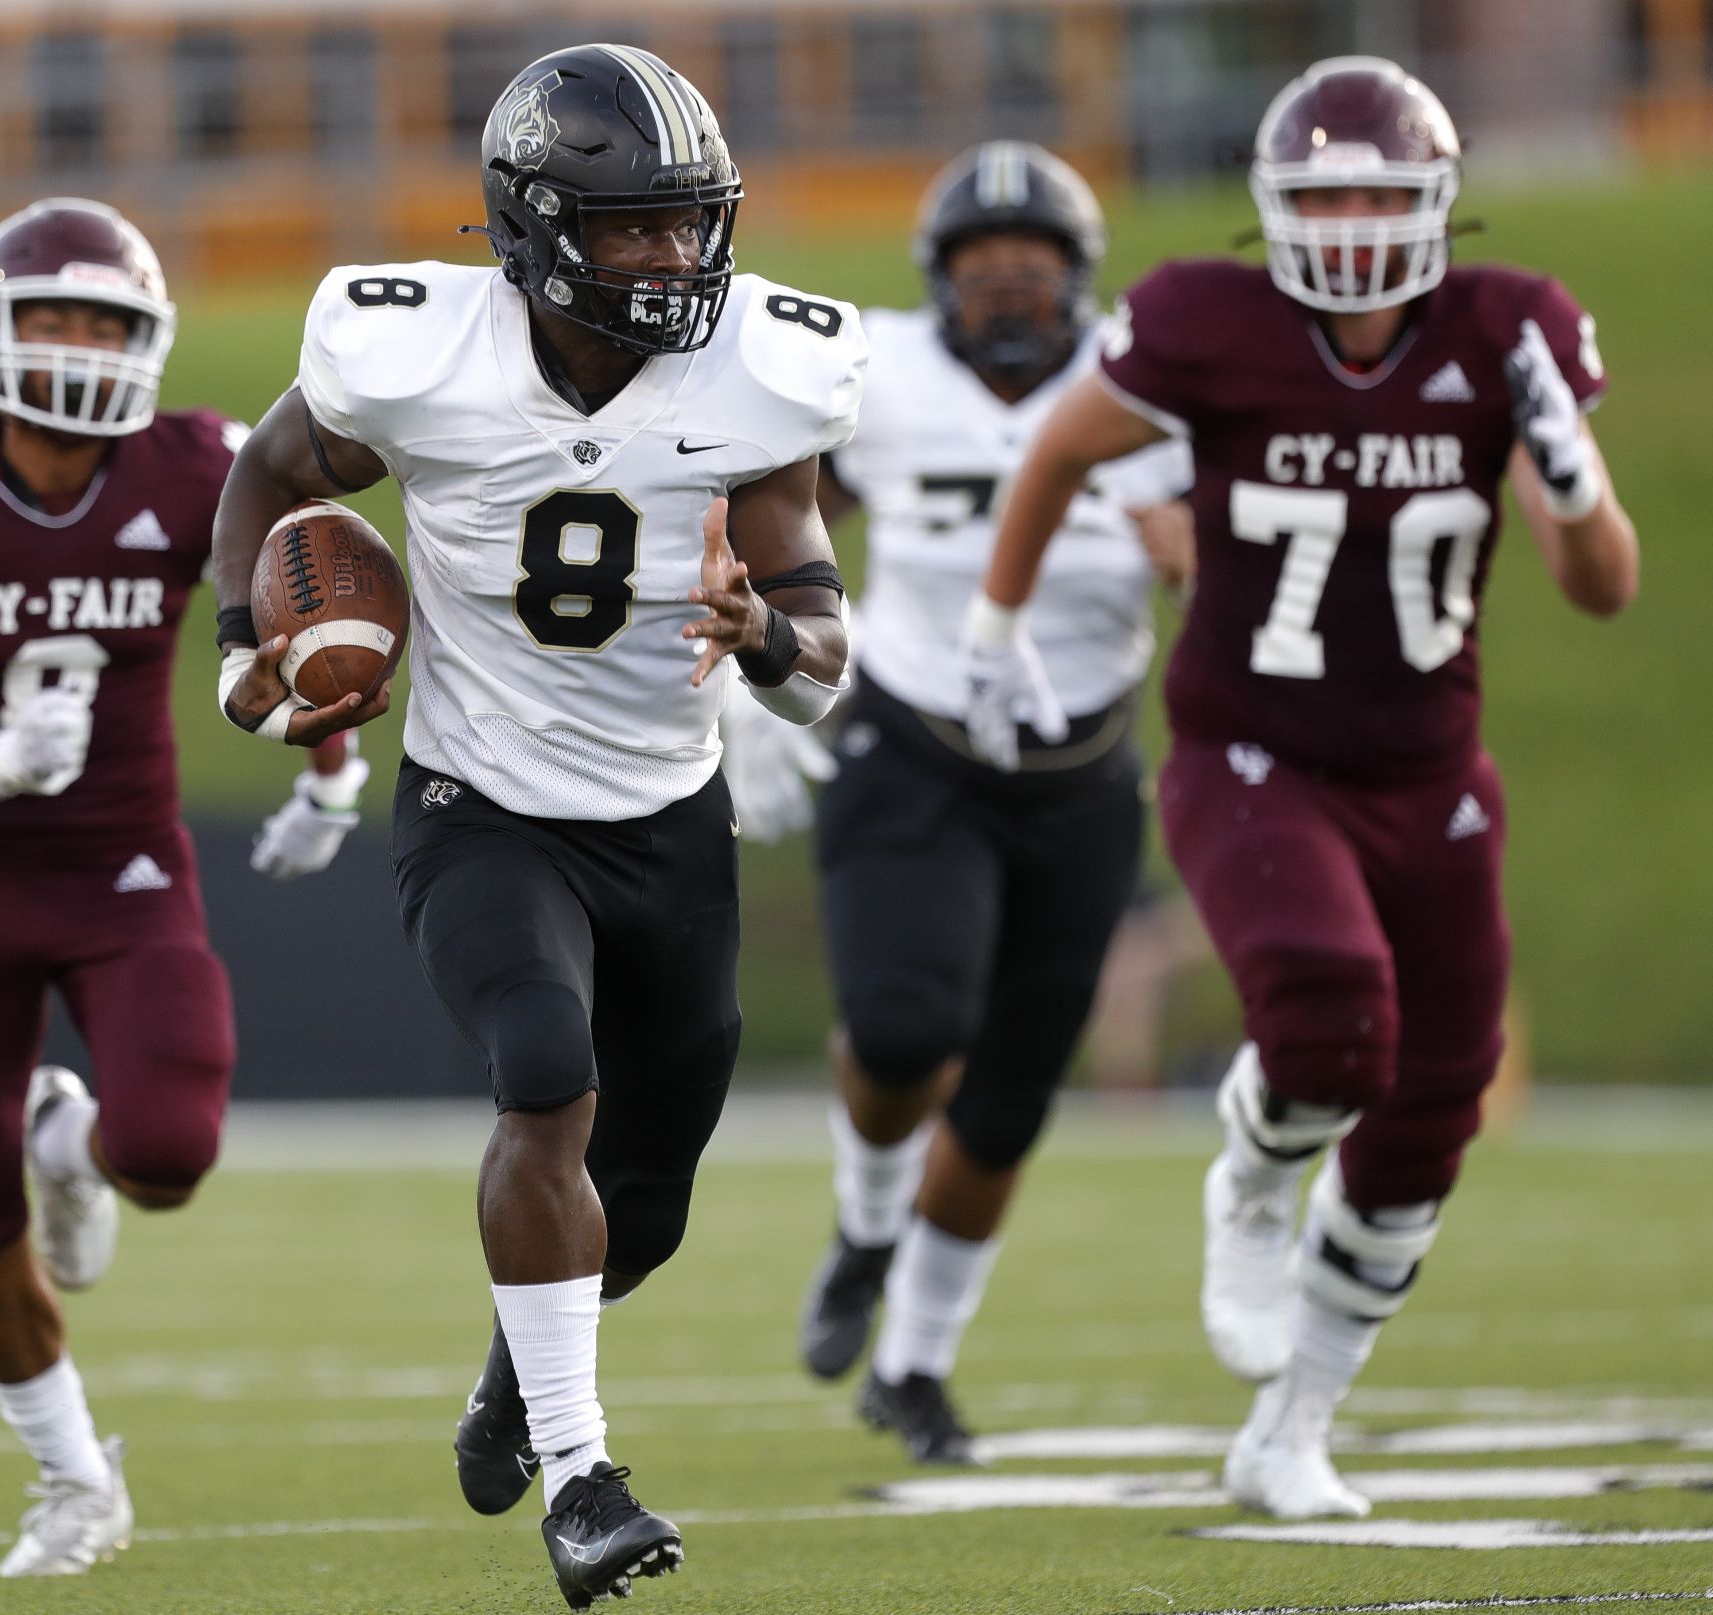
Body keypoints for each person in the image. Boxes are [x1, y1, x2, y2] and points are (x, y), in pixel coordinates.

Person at [204, 44, 865, 1609]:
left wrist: (761, 635)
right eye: (632, 226)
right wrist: (250, 661)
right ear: (535, 222)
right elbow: (267, 474)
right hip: (479, 804)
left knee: (643, 1210)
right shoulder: (418, 355)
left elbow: (824, 659)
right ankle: (585, 1484)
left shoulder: (760, 380)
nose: (672, 257)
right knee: (542, 1075)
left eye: (691, 224)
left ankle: (523, 1365)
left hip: (669, 819)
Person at [963, 58, 1637, 1518]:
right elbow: (1058, 454)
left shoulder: (1507, 325)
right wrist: (990, 636)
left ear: (1436, 208)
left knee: (1432, 1111)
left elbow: (1604, 590)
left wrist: (1572, 479)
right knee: (1330, 1012)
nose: (1344, 220)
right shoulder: (1211, 318)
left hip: (1433, 773)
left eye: (1375, 195)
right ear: (1272, 209)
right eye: (1318, 194)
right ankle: (1252, 1183)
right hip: (1249, 752)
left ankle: (1295, 1425)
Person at [0, 198, 364, 1576]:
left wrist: (332, 770)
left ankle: (74, 1144)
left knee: (169, 1151)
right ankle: (73, 1480)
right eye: (52, 315)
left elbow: (291, 612)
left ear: (151, 339)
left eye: (106, 321)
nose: (77, 345)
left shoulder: (194, 468)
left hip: (127, 871)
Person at [720, 142, 1193, 1462]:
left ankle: (915, 1367)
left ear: (1077, 278)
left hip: (1081, 765)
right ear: (936, 280)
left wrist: (1192, 560)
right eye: (979, 270)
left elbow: (1245, 588)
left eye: (1029, 269)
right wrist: (753, 659)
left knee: (1011, 1097)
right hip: (913, 734)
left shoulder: (1153, 392)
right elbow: (777, 510)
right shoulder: (883, 372)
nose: (1003, 294)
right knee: (903, 1022)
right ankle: (866, 1224)